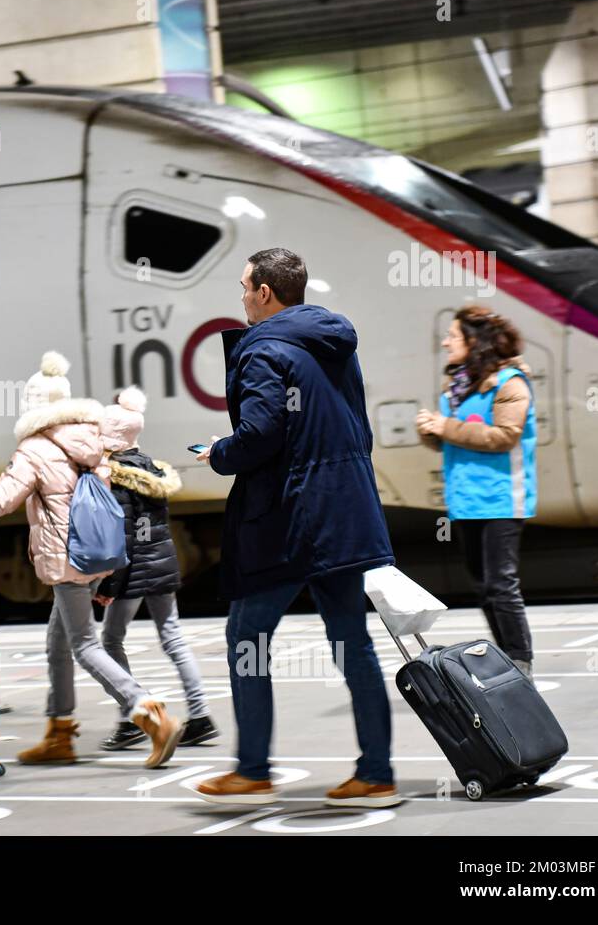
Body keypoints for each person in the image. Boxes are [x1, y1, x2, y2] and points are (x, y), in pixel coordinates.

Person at [192, 248, 399, 808]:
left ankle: (253, 769)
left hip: (289, 519)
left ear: (264, 291)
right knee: (351, 642)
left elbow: (261, 435)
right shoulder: (334, 344)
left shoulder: (264, 351)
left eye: (243, 287)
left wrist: (218, 453)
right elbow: (353, 426)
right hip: (345, 509)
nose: (239, 297)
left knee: (246, 638)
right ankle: (376, 772)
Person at [0, 352, 182, 769]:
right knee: (57, 642)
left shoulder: (35, 449)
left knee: (84, 644)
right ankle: (59, 733)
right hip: (97, 553)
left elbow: (0, 500)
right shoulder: (92, 437)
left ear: (34, 406)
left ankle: (147, 711)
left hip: (66, 558)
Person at [93, 386, 218, 750]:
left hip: (131, 573)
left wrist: (108, 587)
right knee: (173, 637)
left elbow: (121, 539)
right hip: (161, 565)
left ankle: (131, 717)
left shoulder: (112, 478)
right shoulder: (153, 470)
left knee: (111, 641)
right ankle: (200, 715)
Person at [416, 306, 537, 680]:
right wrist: (430, 431)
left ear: (475, 342)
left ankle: (521, 662)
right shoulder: (456, 385)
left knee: (502, 585)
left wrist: (446, 426)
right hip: (466, 499)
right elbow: (451, 443)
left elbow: (503, 437)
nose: (445, 341)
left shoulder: (510, 383)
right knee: (484, 588)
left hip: (502, 498)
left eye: (453, 336)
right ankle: (508, 660)